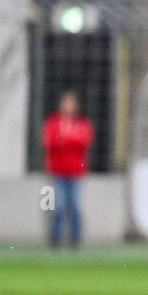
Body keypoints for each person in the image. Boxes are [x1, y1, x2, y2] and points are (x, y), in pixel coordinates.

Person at [42, 91, 94, 248]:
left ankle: (75, 240)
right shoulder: (53, 123)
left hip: (76, 173)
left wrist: (64, 140)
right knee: (57, 206)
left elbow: (84, 142)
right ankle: (55, 239)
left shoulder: (82, 124)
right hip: (57, 172)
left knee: (75, 207)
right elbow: (49, 143)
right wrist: (69, 140)